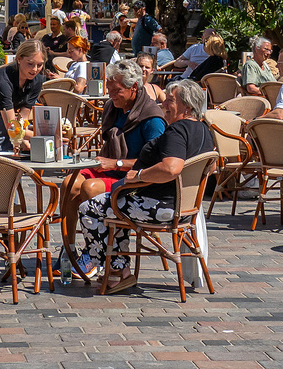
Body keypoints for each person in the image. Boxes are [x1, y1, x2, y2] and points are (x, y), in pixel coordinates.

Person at [72, 78, 215, 291]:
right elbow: (211, 167)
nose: (164, 104)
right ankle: (120, 270)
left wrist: (139, 176)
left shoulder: (177, 131)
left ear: (187, 105)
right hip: (185, 208)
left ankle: (115, 270)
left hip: (160, 206)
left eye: (170, 101)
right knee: (113, 206)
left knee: (89, 208)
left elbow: (171, 168)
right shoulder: (204, 131)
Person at [58, 58, 167, 269]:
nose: (111, 94)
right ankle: (69, 249)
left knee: (90, 188)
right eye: (109, 88)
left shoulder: (151, 118)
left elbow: (157, 163)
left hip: (137, 178)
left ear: (134, 87)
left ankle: (97, 255)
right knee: (68, 184)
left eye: (116, 90)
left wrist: (116, 163)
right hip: (111, 168)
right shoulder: (113, 107)